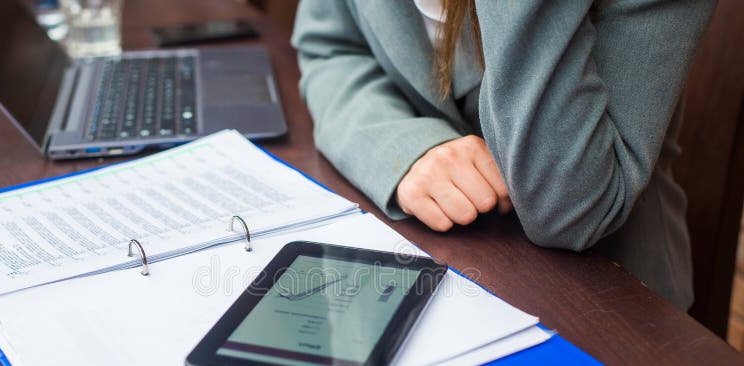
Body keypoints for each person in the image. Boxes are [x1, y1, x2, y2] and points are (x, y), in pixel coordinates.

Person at [291, 0, 716, 310]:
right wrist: (404, 148)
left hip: (608, 312)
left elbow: (570, 210)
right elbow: (331, 47)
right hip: (424, 267)